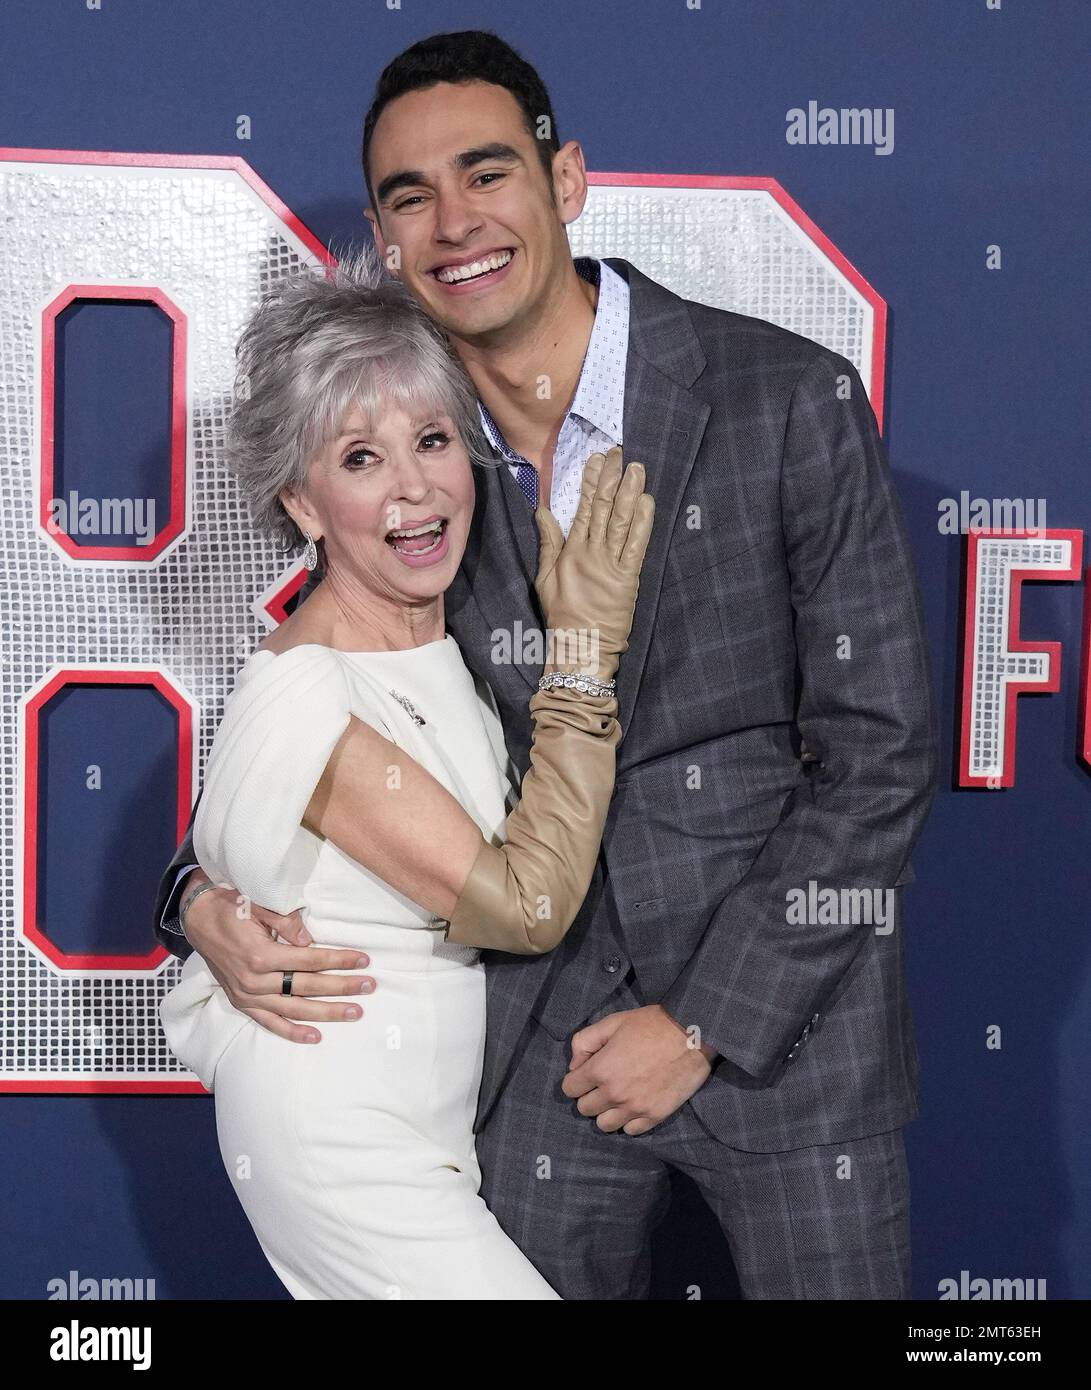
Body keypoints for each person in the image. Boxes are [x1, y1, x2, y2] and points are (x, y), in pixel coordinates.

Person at [156, 30, 939, 1300]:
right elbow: (313, 711)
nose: (454, 219)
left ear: (563, 179)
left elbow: (880, 753)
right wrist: (191, 897)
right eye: (411, 196)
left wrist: (701, 1025)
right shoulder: (404, 453)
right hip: (534, 1049)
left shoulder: (783, 398)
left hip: (783, 1038)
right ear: (383, 232)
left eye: (486, 172)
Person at [158, 247, 654, 1299]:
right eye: (360, 458)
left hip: (429, 1128)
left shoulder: (435, 635)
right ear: (301, 503)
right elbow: (523, 904)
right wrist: (581, 655)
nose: (414, 486)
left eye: (430, 439)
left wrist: (193, 900)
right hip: (336, 1138)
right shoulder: (312, 693)